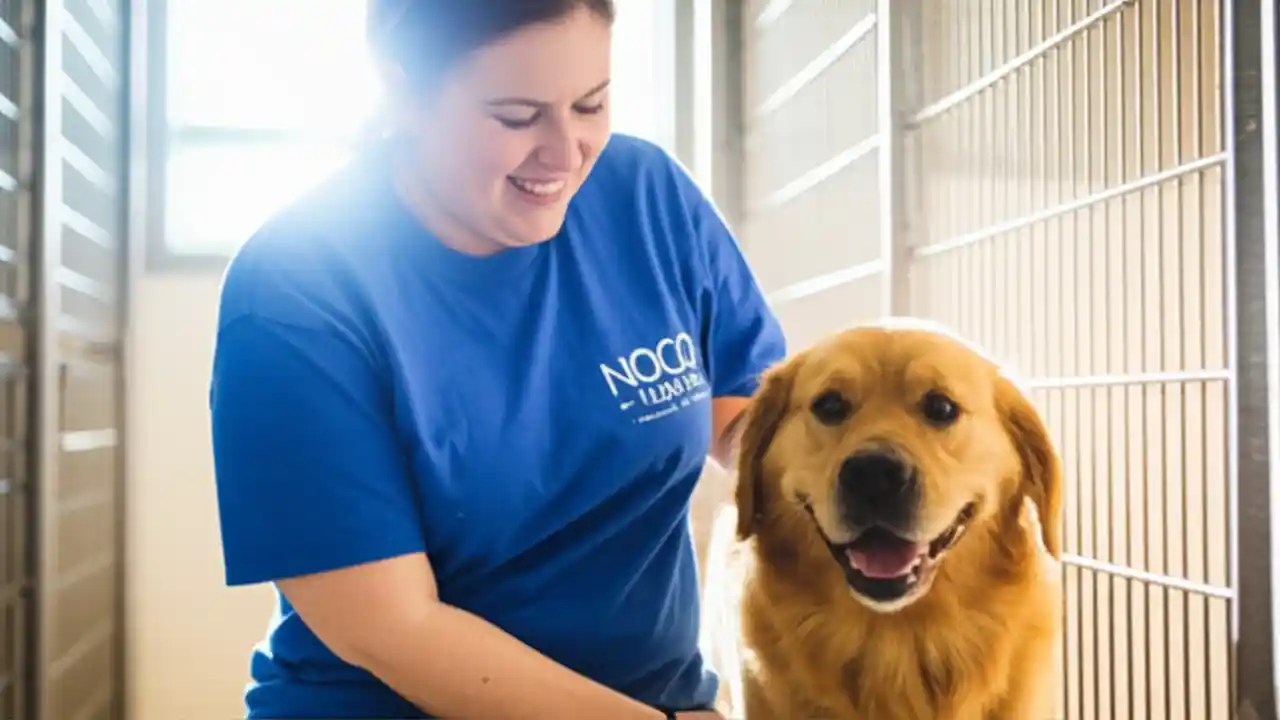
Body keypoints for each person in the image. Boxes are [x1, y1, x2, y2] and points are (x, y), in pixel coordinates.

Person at [208, 0, 786, 718]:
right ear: (401, 93)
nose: (565, 150)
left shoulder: (646, 197)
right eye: (516, 116)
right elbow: (391, 628)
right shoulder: (299, 288)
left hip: (654, 699)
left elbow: (752, 428)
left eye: (591, 104)